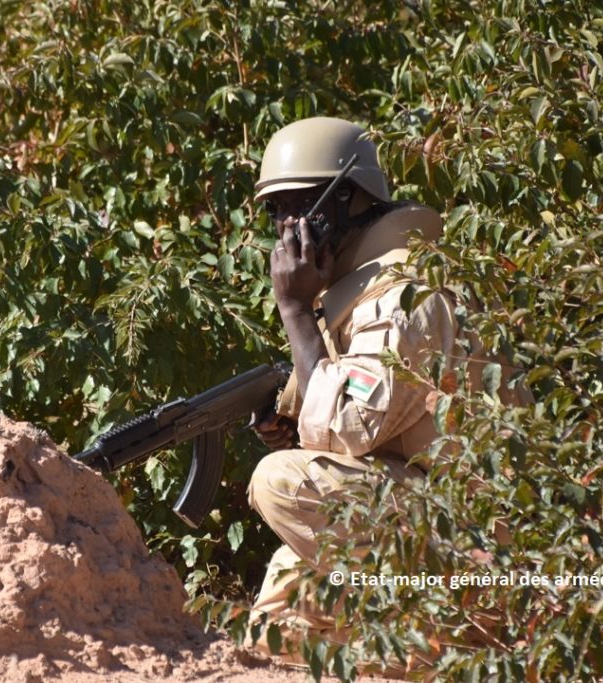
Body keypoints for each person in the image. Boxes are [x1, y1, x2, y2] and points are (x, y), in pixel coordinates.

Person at [245, 116, 460, 666]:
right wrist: (291, 422)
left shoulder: (406, 291)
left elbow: (349, 425)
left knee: (279, 482)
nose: (287, 226)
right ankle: (397, 646)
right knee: (277, 631)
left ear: (347, 198)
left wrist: (294, 311)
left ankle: (440, 629)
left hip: (473, 536)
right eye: (276, 210)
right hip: (420, 514)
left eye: (299, 205)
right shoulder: (359, 289)